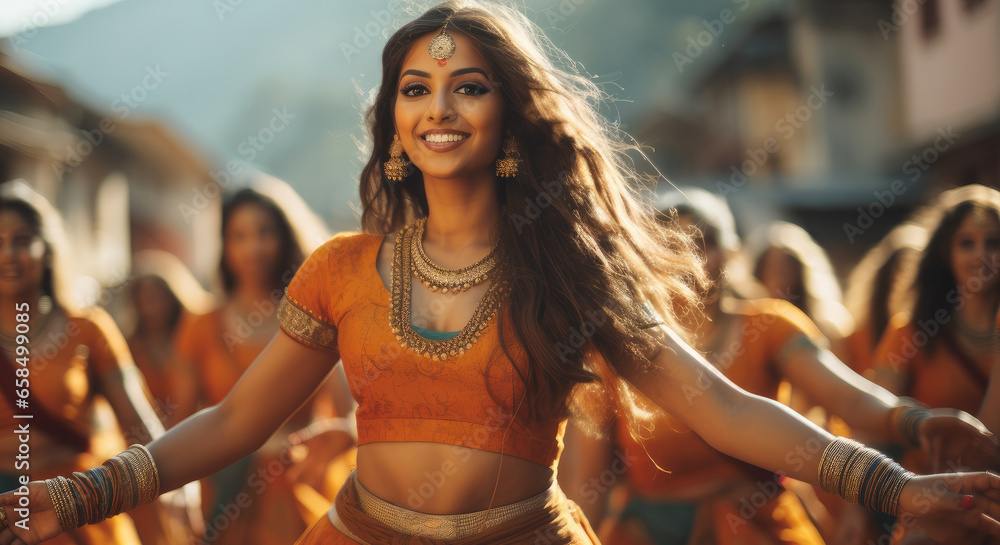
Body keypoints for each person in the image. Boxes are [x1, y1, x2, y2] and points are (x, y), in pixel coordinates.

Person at [3, 3, 1000, 544]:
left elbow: (715, 401)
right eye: (416, 88)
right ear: (394, 121)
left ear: (510, 113)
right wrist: (85, 496)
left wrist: (887, 481)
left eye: (468, 86)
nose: (439, 106)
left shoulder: (572, 269)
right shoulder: (341, 271)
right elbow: (232, 420)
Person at [559, 189, 997, 545]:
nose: (691, 260)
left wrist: (913, 421)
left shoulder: (769, 327)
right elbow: (586, 484)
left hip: (761, 526)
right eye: (672, 245)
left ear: (731, 252)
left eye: (705, 242)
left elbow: (844, 396)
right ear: (649, 257)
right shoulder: (618, 347)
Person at [170, 187, 355, 545]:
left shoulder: (314, 315)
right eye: (239, 236)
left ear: (285, 236)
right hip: (222, 495)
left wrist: (343, 434)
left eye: (264, 233)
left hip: (301, 490)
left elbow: (349, 415)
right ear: (224, 245)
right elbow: (178, 422)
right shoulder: (201, 325)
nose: (252, 247)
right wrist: (178, 487)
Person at [0, 184, 176, 545]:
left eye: (21, 240)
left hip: (78, 509)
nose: (8, 254)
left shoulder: (88, 329)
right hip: (7, 514)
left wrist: (174, 482)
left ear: (47, 250)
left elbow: (140, 426)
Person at [871, 184, 1000, 544]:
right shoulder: (912, 331)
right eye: (967, 243)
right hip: (933, 513)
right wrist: (854, 510)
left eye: (993, 242)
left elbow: (988, 444)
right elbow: (872, 418)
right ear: (946, 252)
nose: (982, 255)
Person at [842, 223, 927, 376]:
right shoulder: (856, 335)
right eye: (902, 269)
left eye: (916, 271)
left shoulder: (930, 334)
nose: (907, 280)